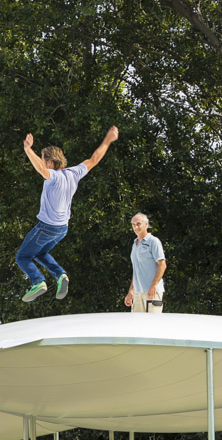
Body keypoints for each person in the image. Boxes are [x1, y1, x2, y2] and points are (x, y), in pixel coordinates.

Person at [17, 126, 120, 302]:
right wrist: (108, 140)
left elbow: (41, 169)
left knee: (23, 257)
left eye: (44, 160)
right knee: (41, 253)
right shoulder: (74, 173)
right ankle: (60, 275)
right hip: (62, 230)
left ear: (50, 163)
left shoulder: (52, 176)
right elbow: (94, 159)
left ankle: (38, 281)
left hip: (46, 228)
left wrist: (28, 149)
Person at [125, 212, 166, 313]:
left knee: (152, 327)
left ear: (146, 224)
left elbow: (162, 265)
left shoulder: (153, 242)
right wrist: (131, 291)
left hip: (152, 293)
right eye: (133, 224)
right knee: (137, 327)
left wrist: (154, 285)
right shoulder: (135, 244)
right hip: (138, 294)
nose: (136, 227)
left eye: (138, 224)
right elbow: (136, 270)